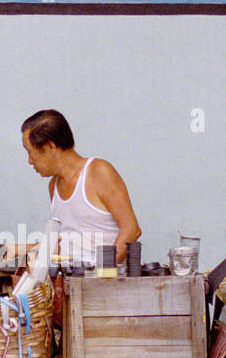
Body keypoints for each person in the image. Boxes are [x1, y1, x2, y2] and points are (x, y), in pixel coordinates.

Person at [19, 109, 141, 265]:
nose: (29, 161)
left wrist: (99, 274)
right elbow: (64, 244)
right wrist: (17, 249)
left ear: (51, 146)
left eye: (30, 152)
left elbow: (131, 230)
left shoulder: (99, 172)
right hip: (71, 281)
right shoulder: (54, 186)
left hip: (105, 282)